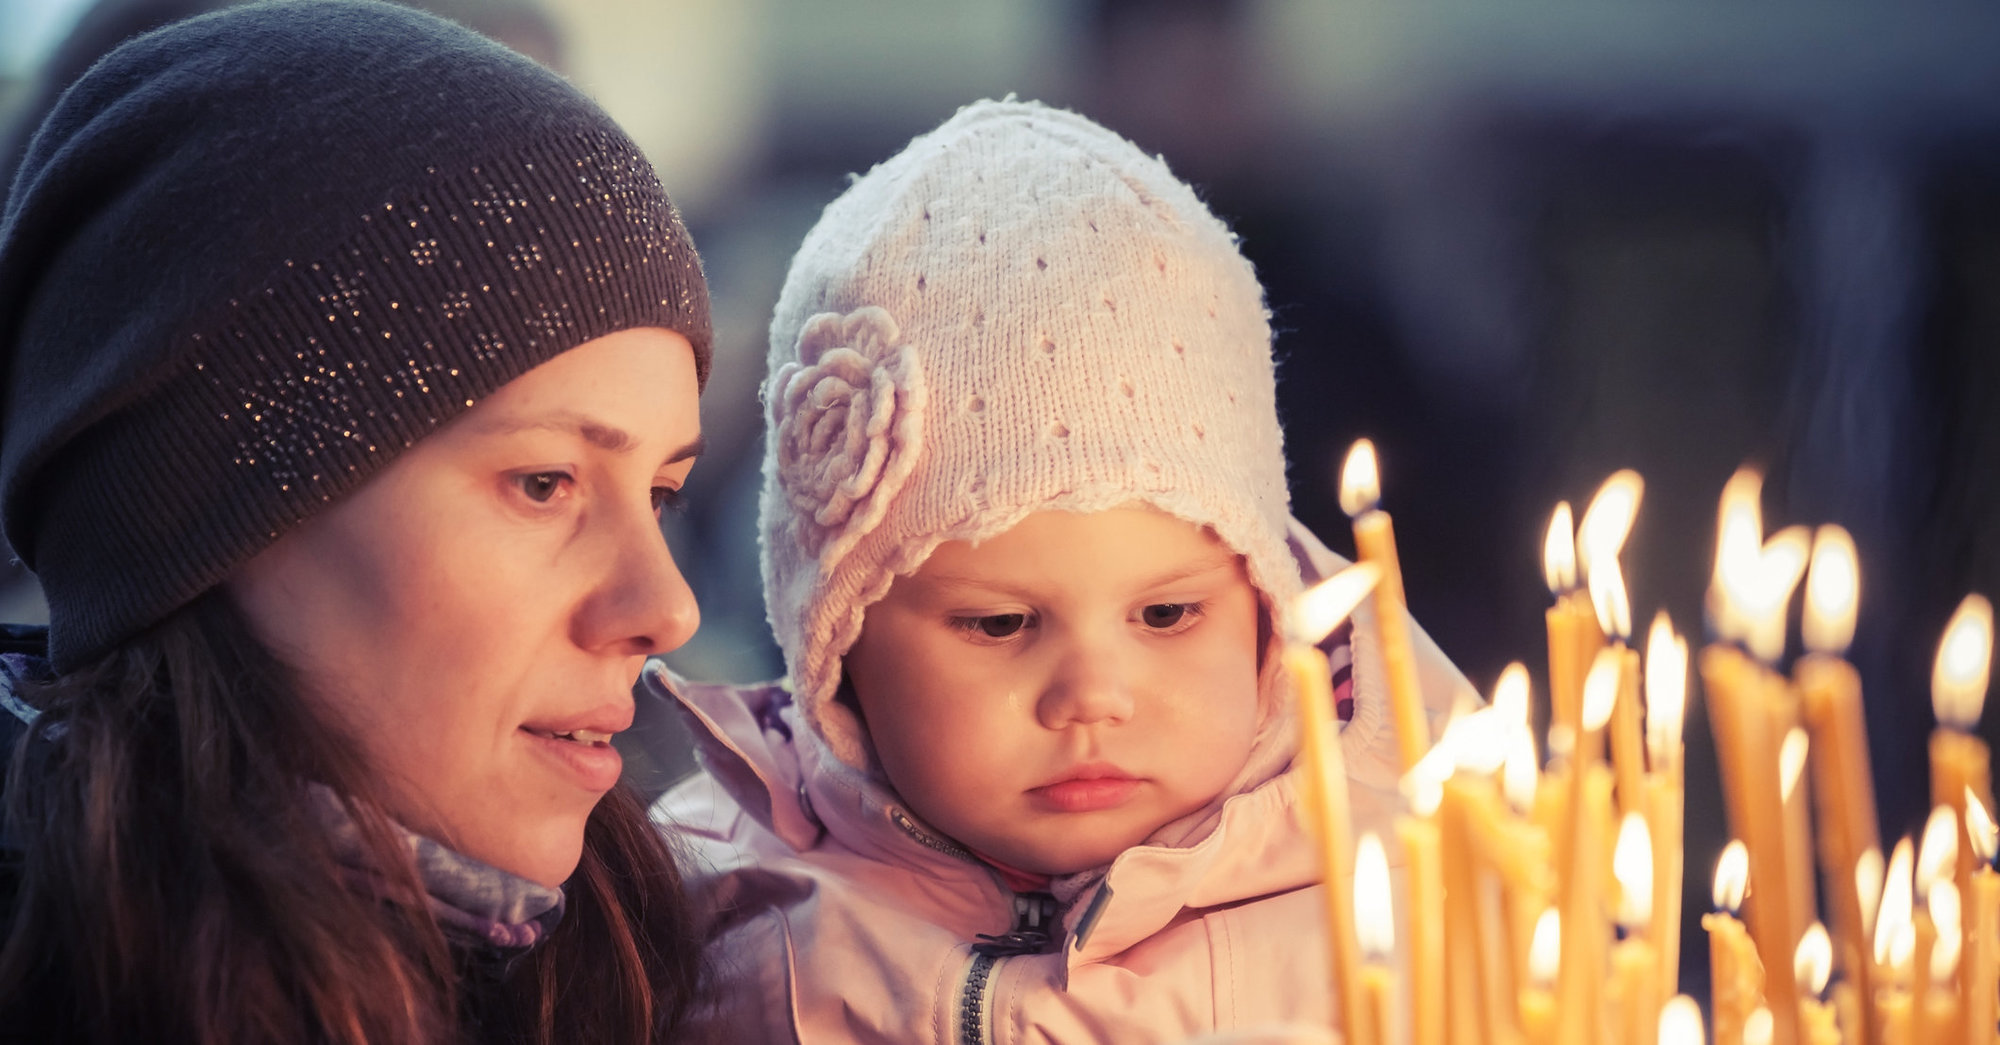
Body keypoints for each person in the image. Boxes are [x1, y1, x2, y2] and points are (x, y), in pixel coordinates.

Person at [655, 99, 1476, 1043]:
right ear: (837, 646)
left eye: (1167, 614)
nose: (1094, 697)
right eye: (1001, 625)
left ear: (1264, 606)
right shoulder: (708, 912)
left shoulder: (1402, 895)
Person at [0, 2, 714, 1041]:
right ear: (217, 514)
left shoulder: (689, 972)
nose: (666, 611)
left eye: (659, 495)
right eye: (545, 483)